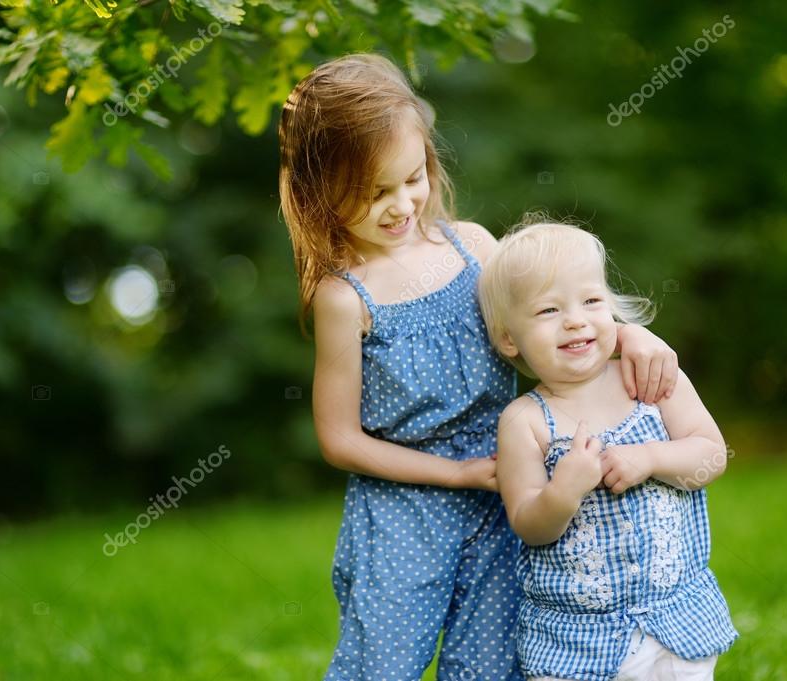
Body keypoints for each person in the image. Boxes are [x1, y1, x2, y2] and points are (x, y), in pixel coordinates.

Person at [278, 54, 680, 680]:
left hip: (506, 489)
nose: (402, 203)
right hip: (402, 511)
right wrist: (457, 472)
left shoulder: (473, 247)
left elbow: (550, 321)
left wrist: (630, 336)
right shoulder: (344, 297)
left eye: (412, 178)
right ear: (319, 192)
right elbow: (339, 439)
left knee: (490, 665)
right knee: (381, 665)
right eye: (374, 193)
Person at [478, 220, 738, 681]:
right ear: (509, 338)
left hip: (673, 621)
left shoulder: (650, 381)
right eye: (548, 310)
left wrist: (652, 458)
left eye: (592, 301)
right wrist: (563, 492)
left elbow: (712, 455)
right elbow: (527, 523)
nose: (575, 319)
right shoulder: (525, 421)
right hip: (573, 640)